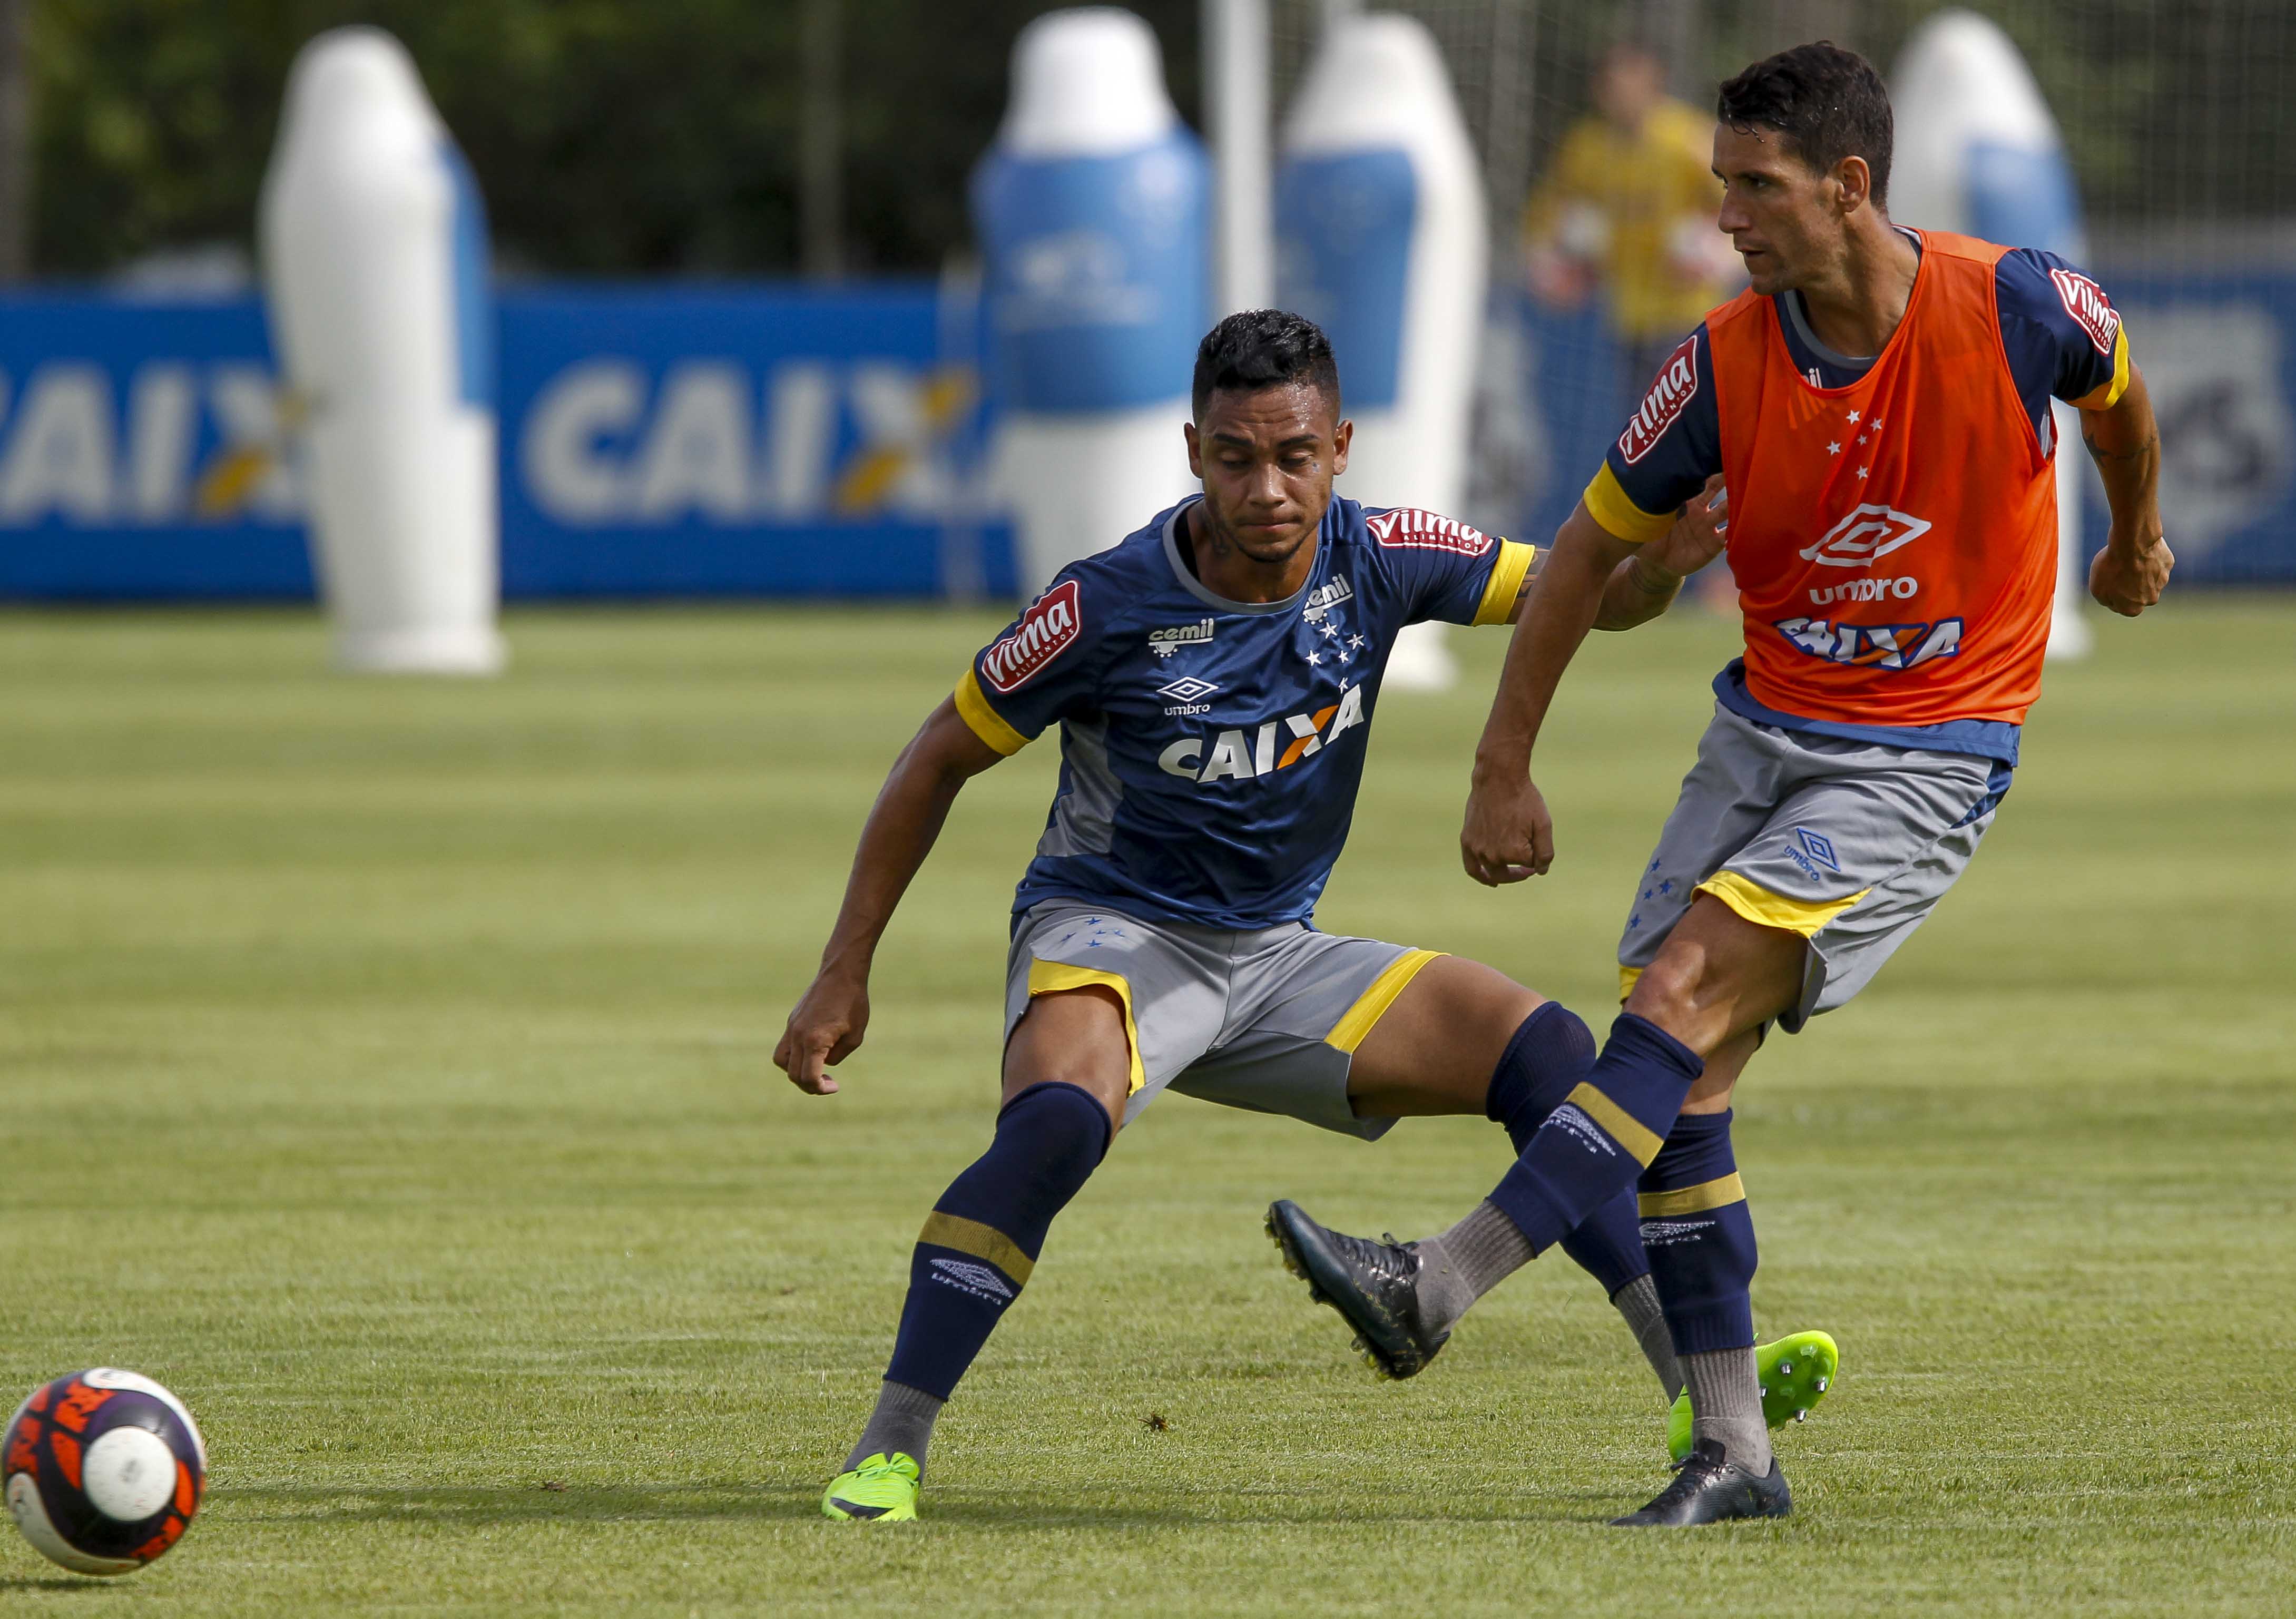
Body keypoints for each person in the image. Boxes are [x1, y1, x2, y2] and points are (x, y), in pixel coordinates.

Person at [1265, 42, 2172, 1527]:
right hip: (1759, 730)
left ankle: (1434, 1283)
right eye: (1719, 191)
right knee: (1678, 1094)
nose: (1726, 221)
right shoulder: (1715, 361)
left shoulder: (2013, 304)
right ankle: (1734, 1457)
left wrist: (2129, 538)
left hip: (1927, 751)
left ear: (1848, 185)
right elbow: (1576, 557)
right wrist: (1502, 762)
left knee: (1673, 996)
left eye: (1753, 189)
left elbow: (2119, 400)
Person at [778, 309, 1782, 1524]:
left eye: (1293, 456)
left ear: (1341, 446)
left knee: (1552, 1055)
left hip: (1276, 956)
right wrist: (845, 971)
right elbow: (935, 756)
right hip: (1113, 937)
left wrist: (1666, 562)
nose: (1268, 487)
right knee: (1050, 1131)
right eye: (1237, 459)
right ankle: (890, 1445)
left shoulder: (1387, 554)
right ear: (1192, 450)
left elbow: (1594, 594)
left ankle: (1695, 1397)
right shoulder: (1102, 607)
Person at [1520, 43, 1732, 397]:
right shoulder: (1587, 148)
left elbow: (1743, 203)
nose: (1621, 92)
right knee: (1645, 426)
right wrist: (1549, 264)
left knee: (1690, 426)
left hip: (1692, 315)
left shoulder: (1687, 140)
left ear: (1653, 82)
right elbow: (1546, 214)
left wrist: (1721, 255)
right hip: (1627, 317)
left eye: (1630, 81)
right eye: (1612, 83)